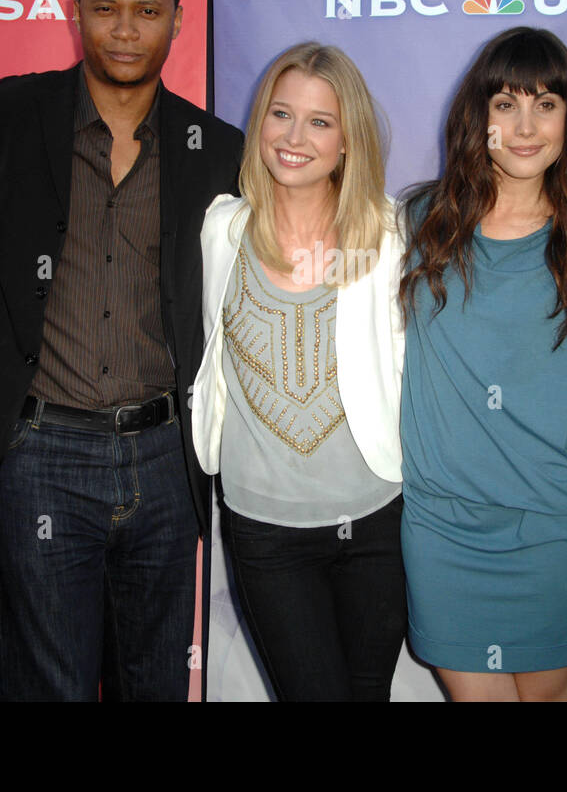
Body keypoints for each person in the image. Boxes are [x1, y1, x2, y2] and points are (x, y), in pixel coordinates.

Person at [0, 0, 243, 701]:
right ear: (75, 15)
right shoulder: (0, 116)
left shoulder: (218, 149)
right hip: (41, 450)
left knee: (157, 680)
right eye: (105, 9)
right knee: (46, 683)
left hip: (169, 459)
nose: (125, 29)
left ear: (177, 21)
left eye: (147, 12)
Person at [399, 27, 567, 702]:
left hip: (554, 522)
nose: (525, 126)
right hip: (443, 527)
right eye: (506, 104)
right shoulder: (419, 223)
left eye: (545, 104)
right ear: (478, 116)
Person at [191, 43, 407, 701]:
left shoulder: (390, 234)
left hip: (378, 520)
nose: (294, 136)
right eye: (280, 114)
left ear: (348, 141)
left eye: (319, 121)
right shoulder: (220, 231)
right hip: (265, 530)